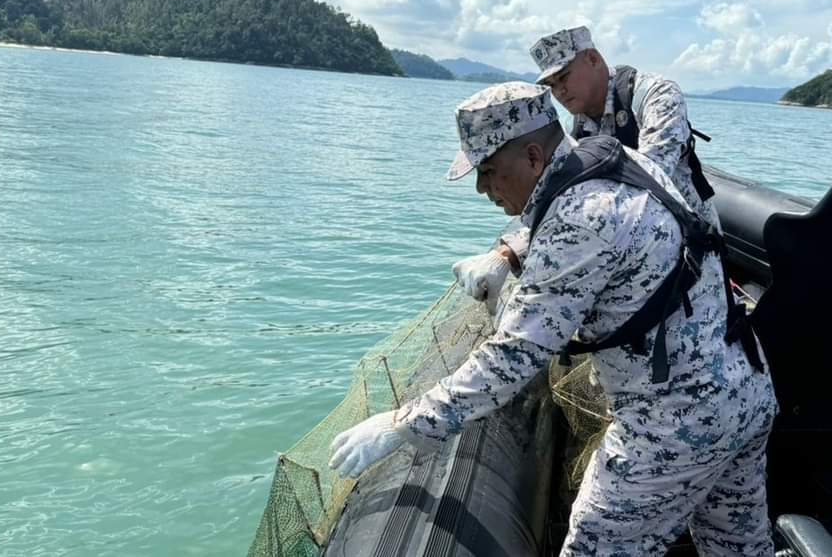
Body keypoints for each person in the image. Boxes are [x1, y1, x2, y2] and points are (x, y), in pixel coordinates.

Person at [329, 82, 777, 556]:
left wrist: (403, 424)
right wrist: (507, 255)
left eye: (488, 170)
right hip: (744, 392)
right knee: (738, 548)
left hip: (675, 424)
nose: (483, 188)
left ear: (532, 157)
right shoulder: (620, 163)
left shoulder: (578, 221)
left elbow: (512, 359)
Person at [454, 26, 718, 316]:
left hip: (687, 247)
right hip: (628, 252)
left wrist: (526, 249)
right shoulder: (578, 129)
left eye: (564, 76)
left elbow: (648, 179)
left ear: (593, 58)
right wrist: (506, 254)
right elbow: (559, 197)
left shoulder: (655, 95)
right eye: (551, 85)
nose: (560, 91)